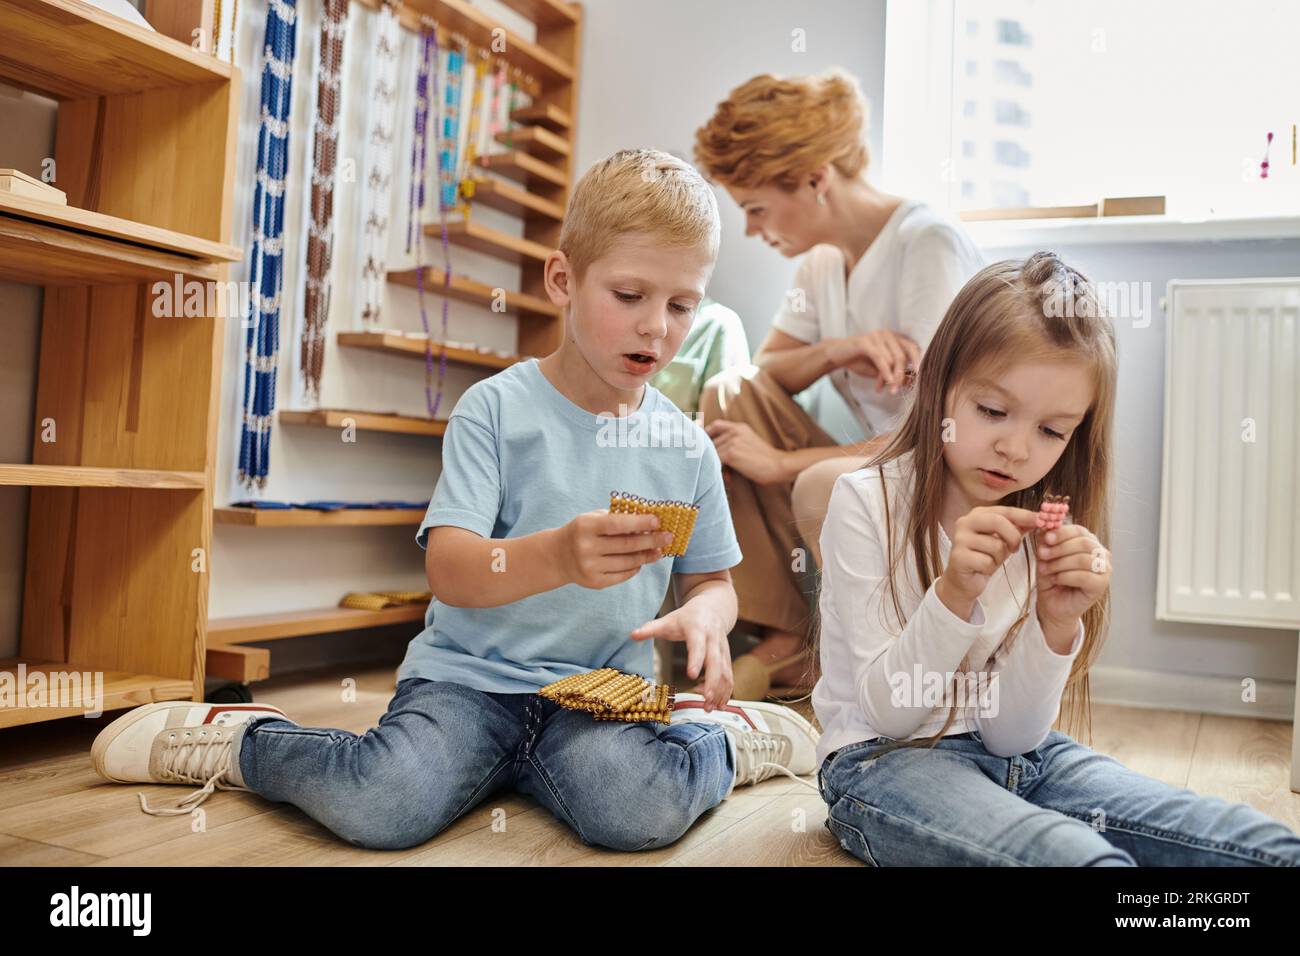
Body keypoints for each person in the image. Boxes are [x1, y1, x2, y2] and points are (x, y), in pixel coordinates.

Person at [90, 149, 819, 851]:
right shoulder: (494, 411)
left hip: (601, 694)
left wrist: (707, 617)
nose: (656, 326)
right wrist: (557, 553)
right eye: (629, 296)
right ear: (562, 279)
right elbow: (452, 570)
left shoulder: (685, 447)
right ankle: (241, 738)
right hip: (466, 681)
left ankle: (725, 738)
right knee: (384, 802)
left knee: (641, 812)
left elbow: (713, 581)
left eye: (682, 304)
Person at [813, 251, 1300, 865]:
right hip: (884, 761)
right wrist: (954, 594)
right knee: (1079, 862)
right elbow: (891, 714)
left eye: (1052, 430)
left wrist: (1055, 623)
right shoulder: (865, 502)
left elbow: (1013, 734)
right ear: (940, 382)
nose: (1015, 448)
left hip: (1022, 759)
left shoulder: (1042, 525)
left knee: (1261, 849)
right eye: (993, 411)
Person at [693, 68, 984, 698]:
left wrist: (782, 462)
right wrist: (838, 348)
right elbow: (766, 371)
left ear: (817, 180)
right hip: (884, 457)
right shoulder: (822, 261)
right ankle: (790, 636)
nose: (751, 228)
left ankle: (862, 660)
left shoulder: (924, 244)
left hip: (942, 466)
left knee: (811, 473)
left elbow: (940, 434)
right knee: (729, 391)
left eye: (756, 208)